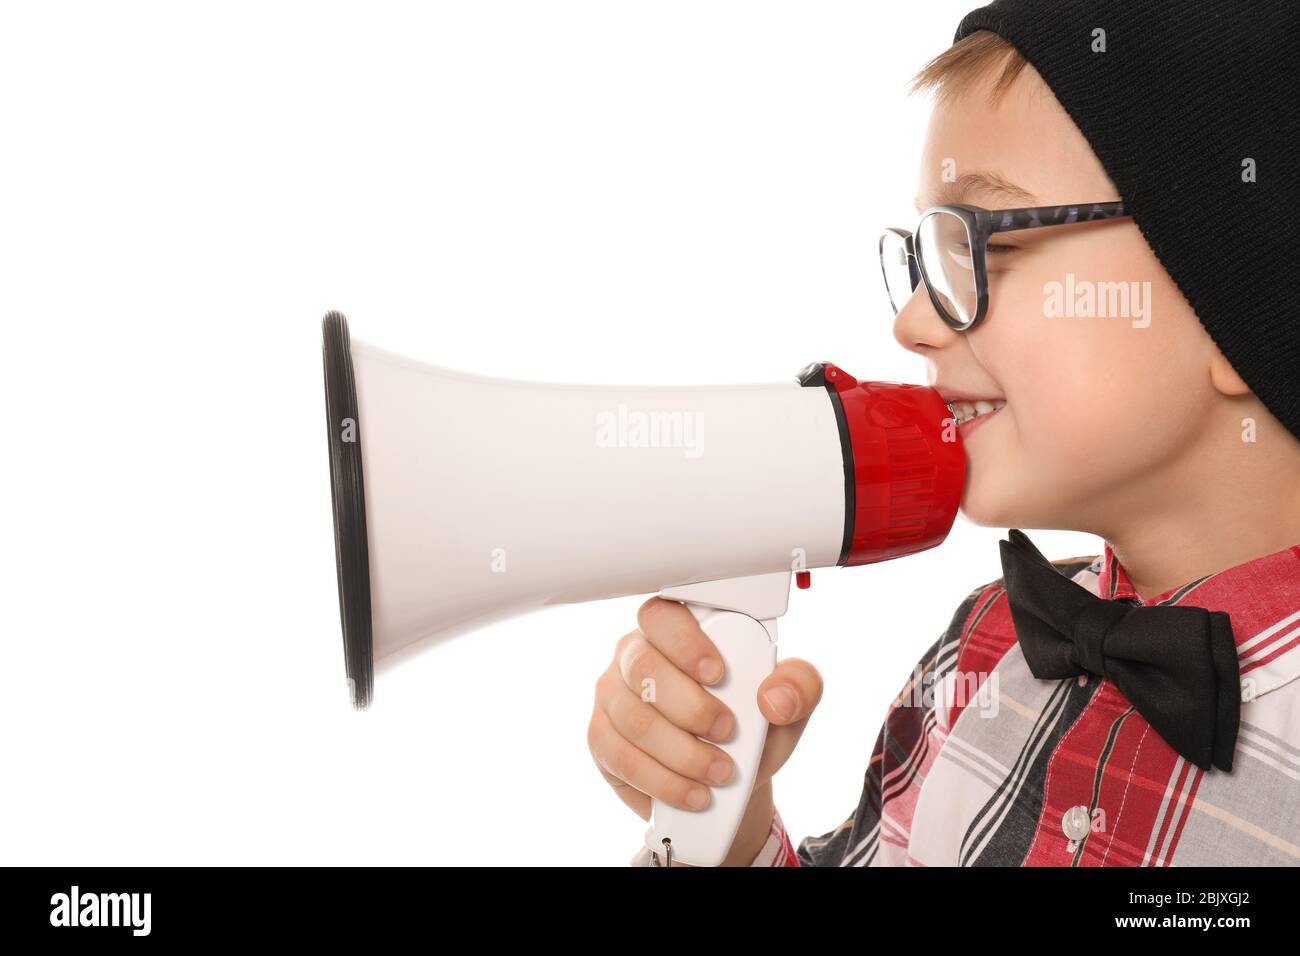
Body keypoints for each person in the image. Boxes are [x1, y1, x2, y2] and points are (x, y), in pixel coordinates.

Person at [588, 0, 1300, 866]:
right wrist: (729, 825)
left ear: (1233, 301)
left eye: (976, 245)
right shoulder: (980, 650)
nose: (915, 323)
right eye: (923, 259)